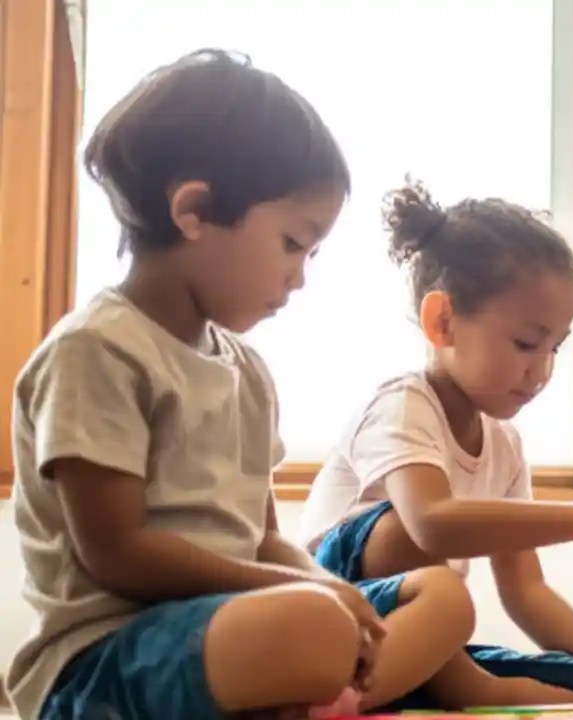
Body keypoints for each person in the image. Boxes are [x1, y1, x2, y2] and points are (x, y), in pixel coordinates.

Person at [4, 50, 494, 720]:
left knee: (442, 597)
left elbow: (263, 536)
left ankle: (329, 701)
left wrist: (325, 584)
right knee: (314, 627)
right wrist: (305, 597)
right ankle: (324, 692)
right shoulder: (99, 351)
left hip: (234, 621)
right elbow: (116, 552)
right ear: (194, 210)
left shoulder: (247, 372)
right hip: (106, 655)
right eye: (293, 243)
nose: (299, 277)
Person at [294, 180, 573, 704]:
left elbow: (526, 591)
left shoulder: (504, 446)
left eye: (555, 348)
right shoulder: (401, 406)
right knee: (414, 548)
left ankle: (445, 685)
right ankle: (462, 688)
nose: (542, 370)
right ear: (444, 321)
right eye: (526, 343)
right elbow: (429, 525)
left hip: (418, 631)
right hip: (335, 610)